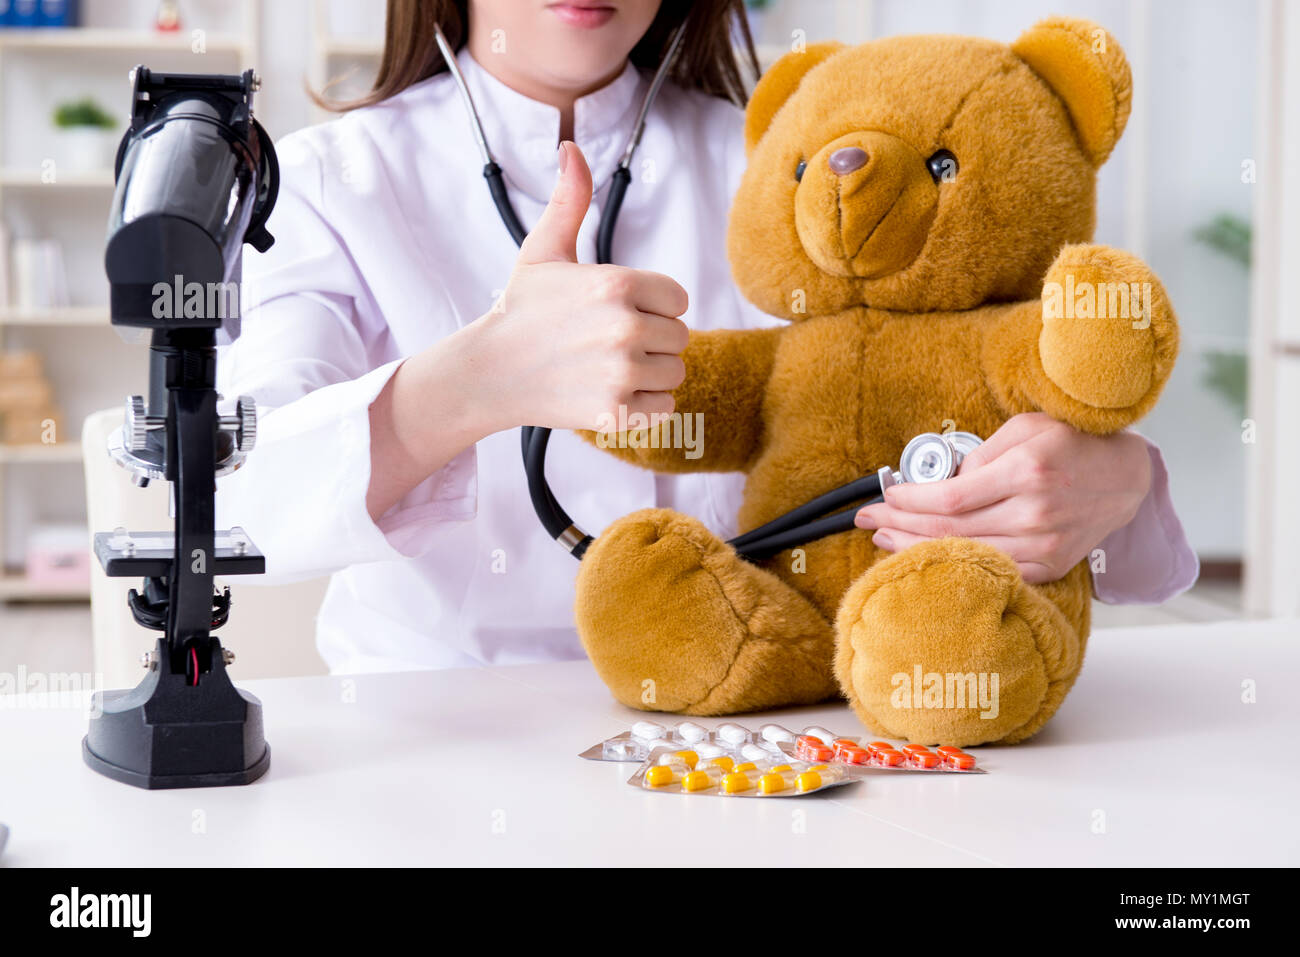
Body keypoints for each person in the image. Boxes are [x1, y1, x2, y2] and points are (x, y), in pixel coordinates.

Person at [217, 0, 1196, 674]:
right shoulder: (323, 182)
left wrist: (1116, 486)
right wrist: (478, 383)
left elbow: (1116, 546)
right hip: (433, 755)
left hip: (764, 732)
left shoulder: (809, 167)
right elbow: (232, 504)